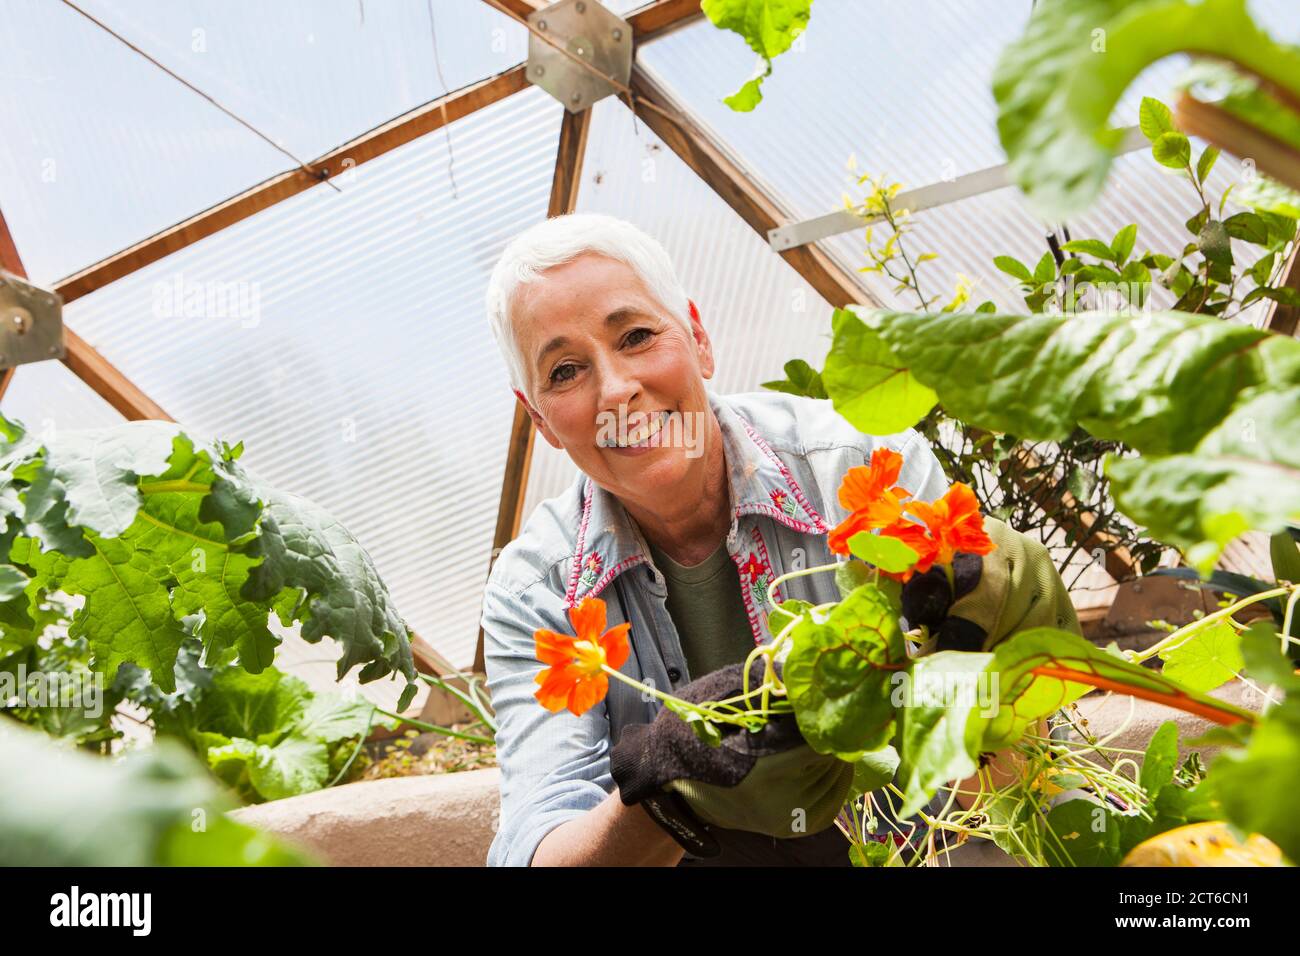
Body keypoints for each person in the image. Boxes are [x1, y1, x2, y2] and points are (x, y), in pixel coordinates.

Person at [480, 213, 1078, 866]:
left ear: (699, 338)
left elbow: (1005, 778)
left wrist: (1007, 658)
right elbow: (537, 848)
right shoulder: (535, 588)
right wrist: (667, 792)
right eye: (565, 371)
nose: (617, 390)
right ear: (540, 419)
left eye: (637, 336)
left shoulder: (862, 466)